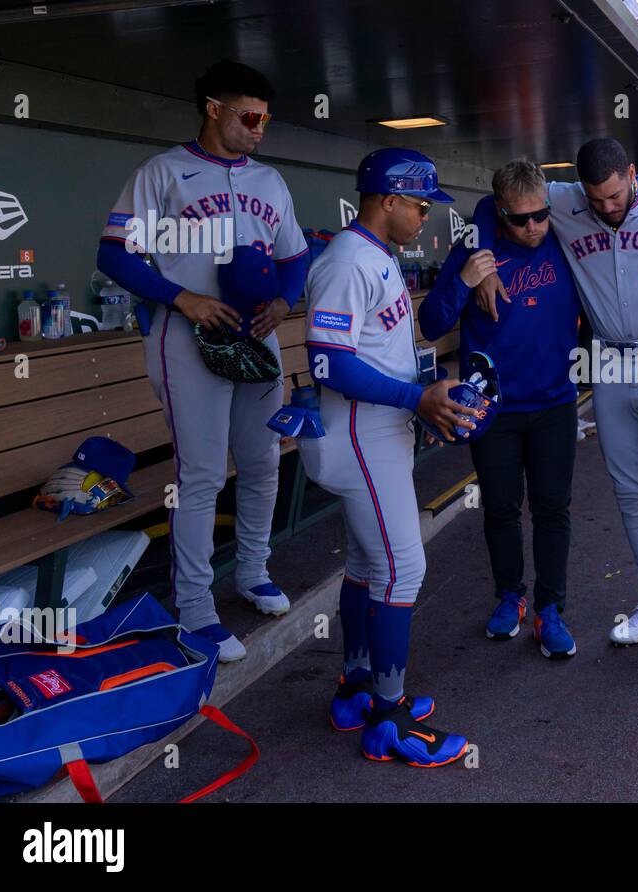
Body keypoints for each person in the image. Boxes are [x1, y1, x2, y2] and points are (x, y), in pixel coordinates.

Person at [470, 138, 638, 684]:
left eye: (615, 196)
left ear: (633, 174)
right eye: (597, 199)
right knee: (630, 492)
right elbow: (489, 200)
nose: (606, 207)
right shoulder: (564, 199)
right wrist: (485, 257)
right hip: (609, 363)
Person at [96, 60, 307, 661]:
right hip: (187, 334)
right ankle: (193, 608)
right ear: (213, 108)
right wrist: (180, 297)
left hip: (255, 334)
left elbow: (293, 256)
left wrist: (286, 300)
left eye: (266, 119)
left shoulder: (270, 180)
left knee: (264, 458)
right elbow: (116, 254)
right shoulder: (162, 172)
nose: (260, 128)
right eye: (249, 116)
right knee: (203, 475)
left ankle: (252, 572)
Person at [304, 148, 475, 767]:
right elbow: (329, 359)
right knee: (403, 570)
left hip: (377, 428)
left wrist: (419, 397)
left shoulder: (377, 256)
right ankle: (390, 718)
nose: (426, 215)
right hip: (359, 433)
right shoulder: (348, 259)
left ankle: (357, 687)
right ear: (389, 199)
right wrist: (416, 398)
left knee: (367, 565)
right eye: (421, 203)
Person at [419, 160, 581, 657]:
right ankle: (510, 597)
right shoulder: (475, 249)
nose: (532, 228)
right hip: (493, 409)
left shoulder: (564, 236)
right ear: (501, 215)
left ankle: (549, 608)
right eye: (519, 219)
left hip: (555, 403)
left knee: (553, 509)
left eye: (540, 216)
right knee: (501, 509)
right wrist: (467, 278)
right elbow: (430, 323)